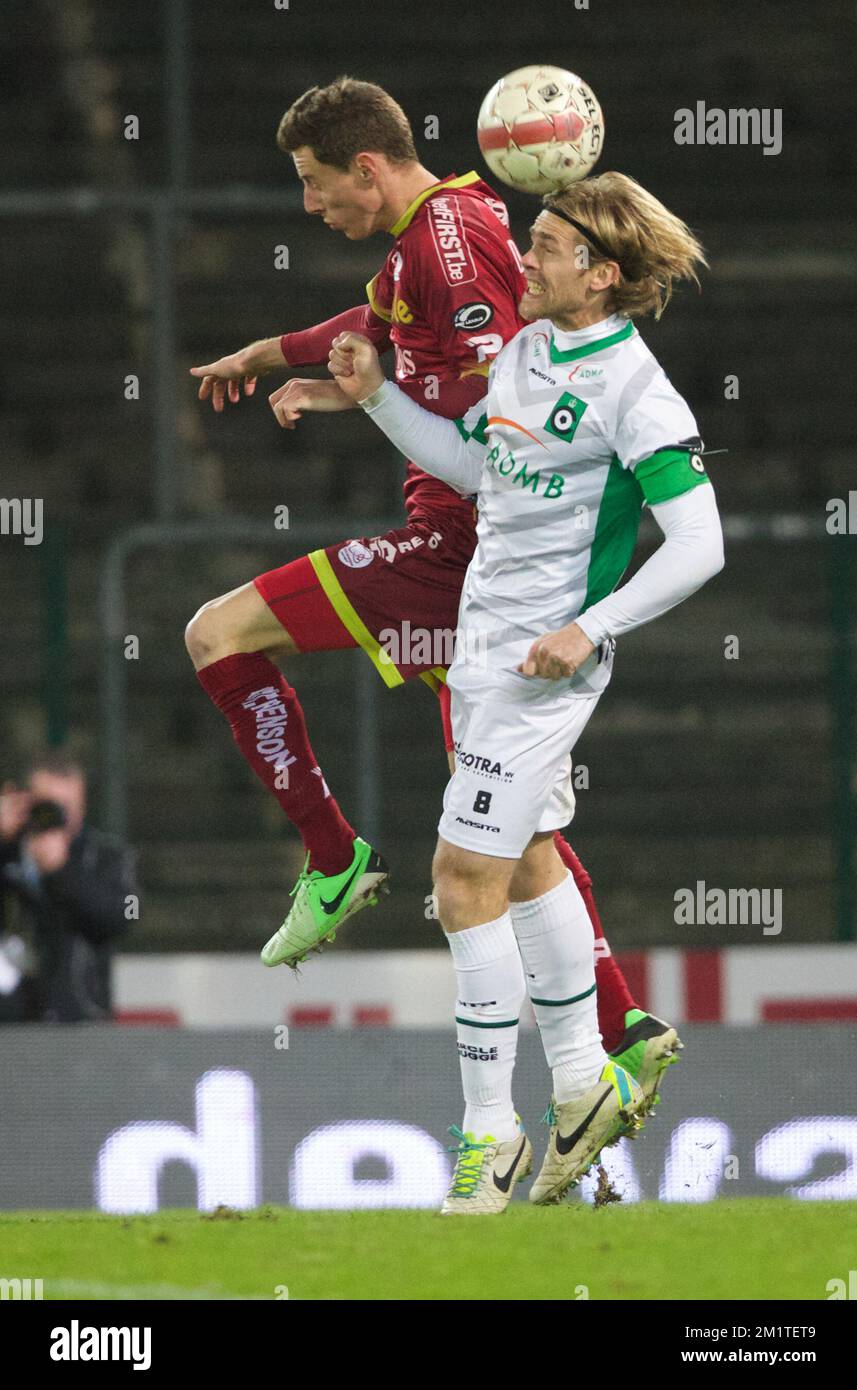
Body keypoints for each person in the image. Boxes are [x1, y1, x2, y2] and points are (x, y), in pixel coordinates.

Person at [187, 77, 680, 1108]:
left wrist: (380, 404)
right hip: (479, 562)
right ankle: (617, 1029)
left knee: (217, 632)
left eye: (316, 185)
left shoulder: (448, 246)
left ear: (366, 168)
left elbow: (509, 408)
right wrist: (281, 357)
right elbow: (376, 325)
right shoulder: (436, 232)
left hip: (455, 552)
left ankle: (332, 859)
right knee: (513, 830)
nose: (311, 207)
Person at [324, 170, 725, 1211]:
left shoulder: (637, 390)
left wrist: (586, 629)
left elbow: (699, 544)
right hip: (481, 645)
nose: (522, 260)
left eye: (542, 247)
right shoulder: (529, 351)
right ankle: (586, 1085)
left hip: (542, 671)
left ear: (596, 276)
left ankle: (487, 1137)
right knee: (533, 860)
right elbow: (474, 467)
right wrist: (376, 397)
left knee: (461, 877)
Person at [0, 751, 137, 1022]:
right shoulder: (8, 853)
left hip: (80, 1020)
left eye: (69, 806)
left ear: (83, 807)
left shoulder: (110, 856)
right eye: (49, 806)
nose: (60, 818)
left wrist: (61, 871)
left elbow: (128, 914)